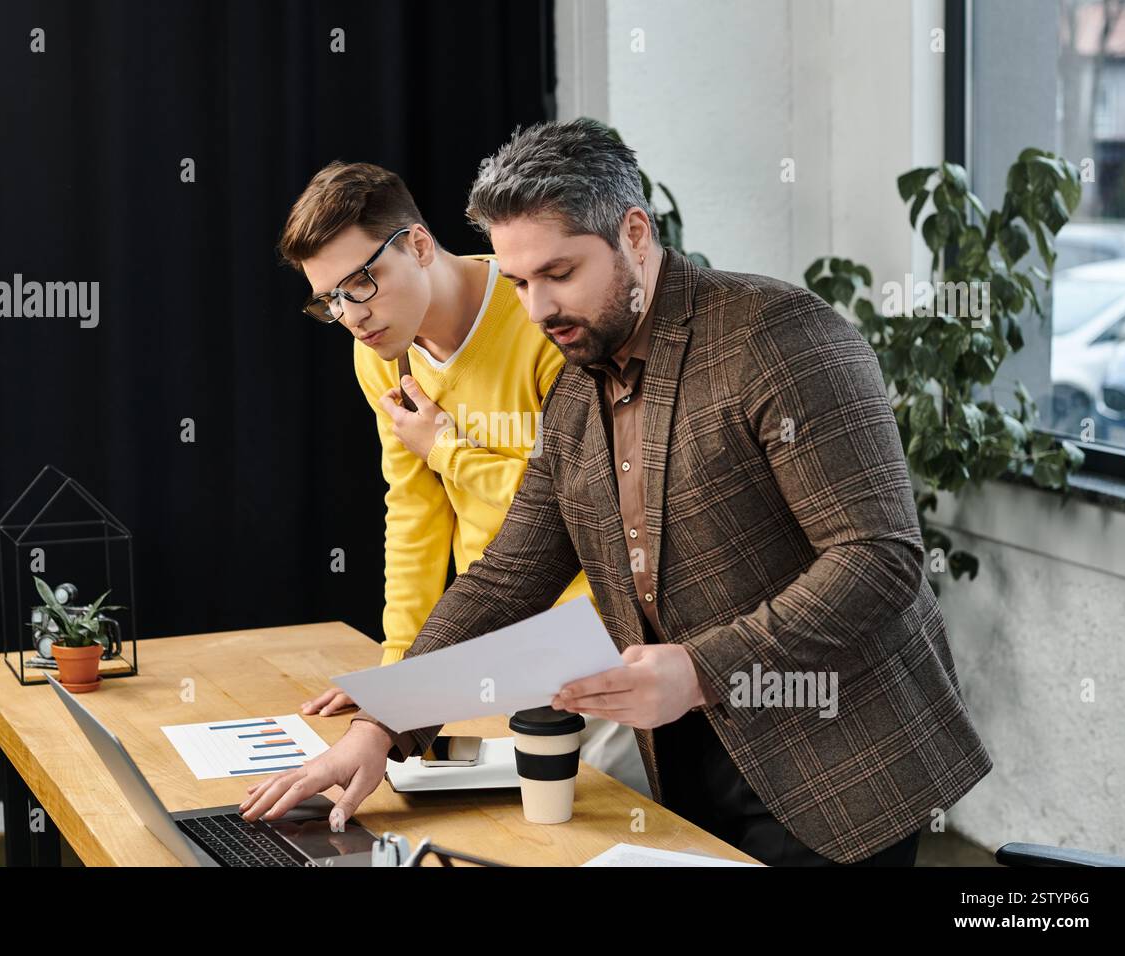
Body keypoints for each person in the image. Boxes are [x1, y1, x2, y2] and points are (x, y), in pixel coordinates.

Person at [246, 121, 992, 866]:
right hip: (686, 761)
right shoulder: (577, 388)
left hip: (836, 758)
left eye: (559, 273)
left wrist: (704, 669)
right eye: (518, 283)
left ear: (634, 233)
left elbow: (880, 558)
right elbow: (508, 577)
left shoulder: (781, 336)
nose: (537, 310)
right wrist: (382, 723)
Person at [276, 160, 650, 796]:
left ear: (419, 244)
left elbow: (586, 507)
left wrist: (447, 449)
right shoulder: (379, 355)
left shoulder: (546, 318)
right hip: (487, 634)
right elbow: (414, 515)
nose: (351, 316)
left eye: (360, 284)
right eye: (330, 299)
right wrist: (395, 683)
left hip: (597, 635)